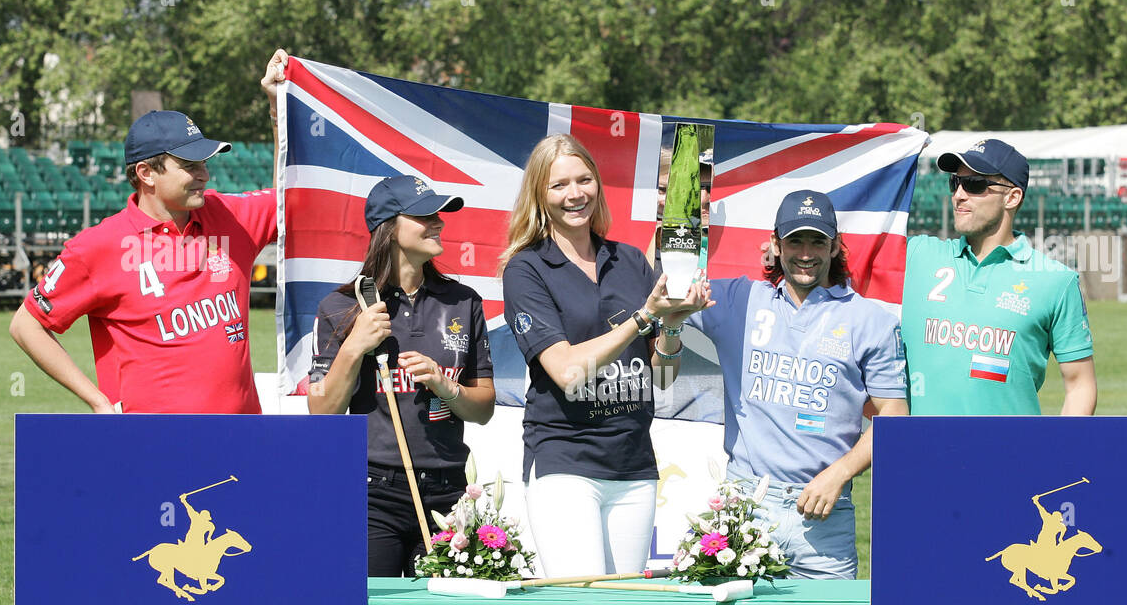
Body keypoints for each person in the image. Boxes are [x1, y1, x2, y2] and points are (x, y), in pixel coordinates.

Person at [8, 49, 290, 414]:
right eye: (189, 165)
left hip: (241, 443)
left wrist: (276, 107)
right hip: (151, 452)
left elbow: (288, 198)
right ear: (146, 173)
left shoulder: (228, 214)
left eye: (204, 163)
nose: (204, 175)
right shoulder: (99, 246)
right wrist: (97, 401)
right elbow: (26, 325)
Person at [500, 134, 710, 579]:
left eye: (584, 180)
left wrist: (673, 324)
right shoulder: (526, 269)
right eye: (558, 185)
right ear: (539, 194)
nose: (575, 194)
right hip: (564, 462)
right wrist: (644, 317)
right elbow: (566, 370)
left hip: (633, 464)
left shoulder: (631, 260)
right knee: (584, 604)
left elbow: (665, 376)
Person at [688, 189, 908, 580]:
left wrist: (839, 473)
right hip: (747, 504)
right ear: (775, 244)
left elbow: (895, 416)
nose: (806, 253)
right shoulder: (739, 298)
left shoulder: (872, 321)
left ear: (836, 246)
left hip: (824, 513)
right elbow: (666, 291)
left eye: (817, 241)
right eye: (795, 241)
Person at [308, 175, 495, 579]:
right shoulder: (340, 306)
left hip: (450, 491)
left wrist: (446, 386)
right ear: (389, 228)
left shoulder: (463, 301)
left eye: (439, 214)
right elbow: (321, 410)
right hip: (373, 493)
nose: (439, 222)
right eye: (425, 215)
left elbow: (483, 410)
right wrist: (355, 346)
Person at [900, 139, 1097, 415]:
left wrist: (1057, 453)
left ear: (1012, 197)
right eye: (955, 182)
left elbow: (1080, 386)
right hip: (919, 453)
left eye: (975, 184)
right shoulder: (915, 255)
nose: (958, 194)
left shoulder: (1056, 282)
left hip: (1011, 456)